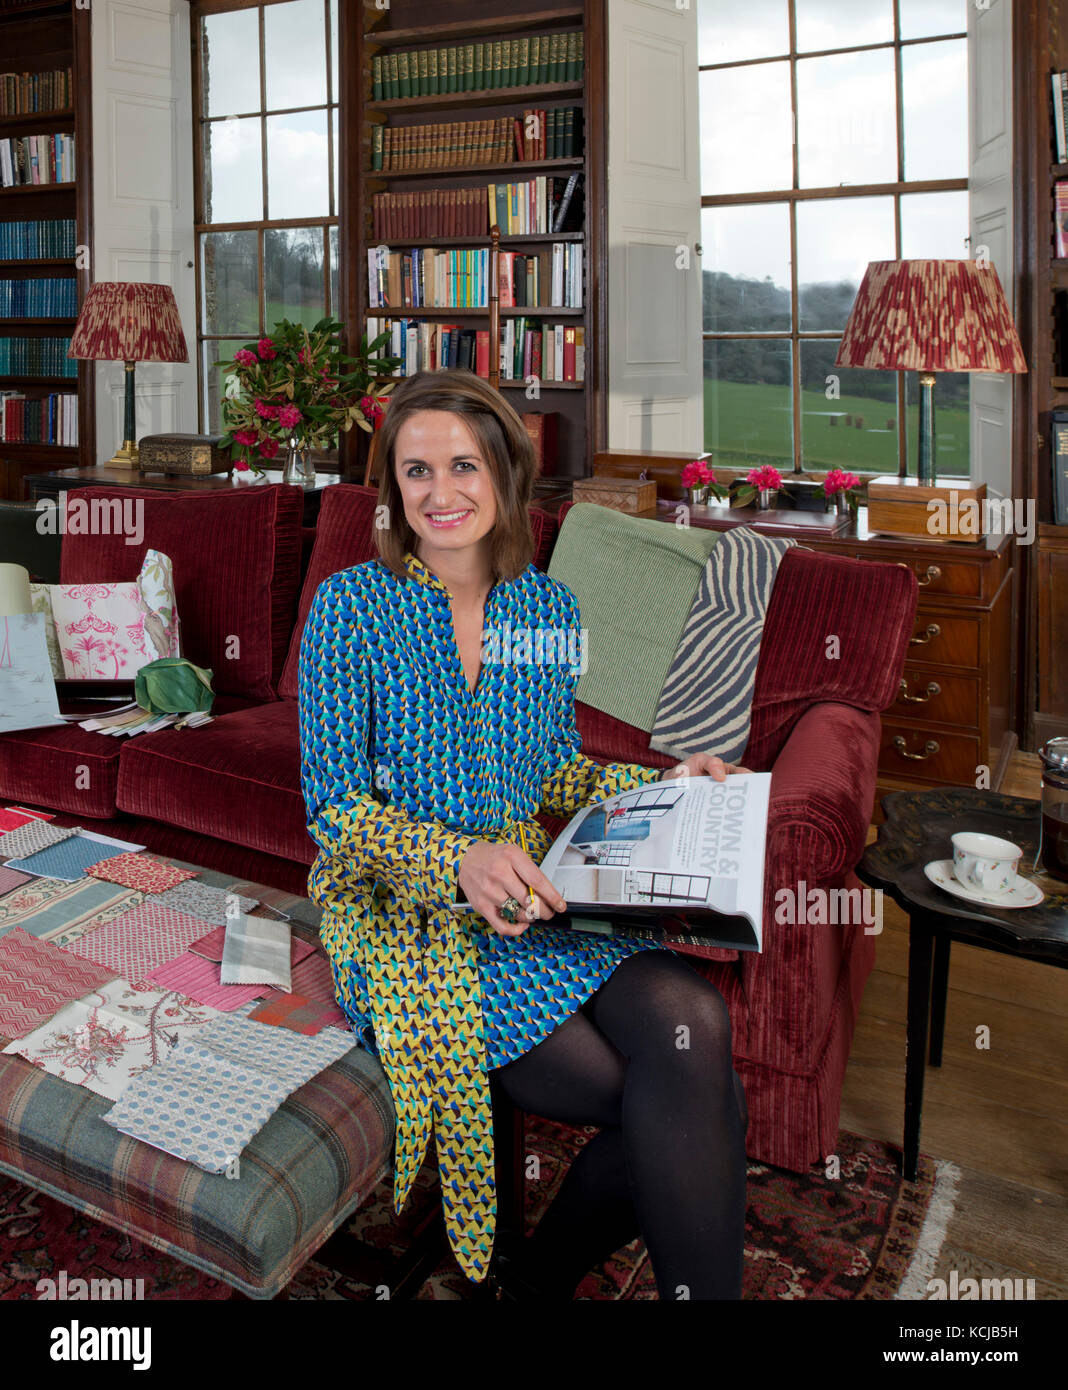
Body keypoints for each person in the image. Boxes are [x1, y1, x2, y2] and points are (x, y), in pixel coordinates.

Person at [297, 368, 749, 1300]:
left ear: (503, 473)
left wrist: (670, 784)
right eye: (415, 471)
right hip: (404, 916)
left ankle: (534, 1284)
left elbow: (556, 773)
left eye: (463, 465)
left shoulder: (545, 612)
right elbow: (335, 809)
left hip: (526, 894)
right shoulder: (351, 608)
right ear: (391, 486)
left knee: (693, 1029)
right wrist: (453, 858)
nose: (441, 493)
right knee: (672, 1101)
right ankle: (541, 1285)